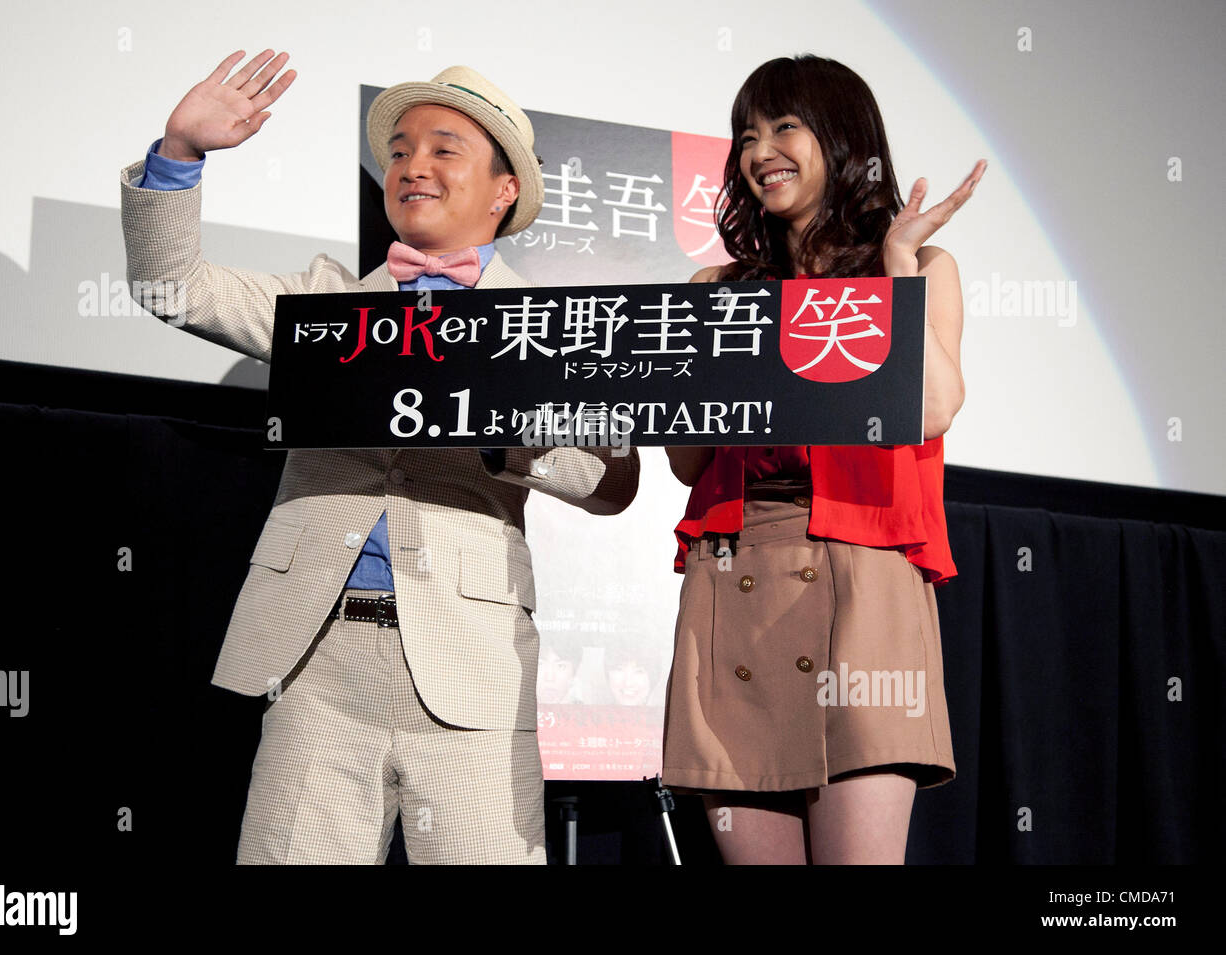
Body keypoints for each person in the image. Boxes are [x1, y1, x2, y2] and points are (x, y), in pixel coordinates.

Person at [119, 51, 639, 864]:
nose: (411, 166)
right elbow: (170, 287)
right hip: (314, 660)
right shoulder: (325, 304)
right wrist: (180, 153)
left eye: (442, 148)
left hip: (471, 668)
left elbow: (612, 481)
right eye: (398, 151)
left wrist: (503, 430)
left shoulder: (552, 326)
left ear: (505, 190)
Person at [662, 55, 985, 865]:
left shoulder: (918, 269)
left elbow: (936, 407)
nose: (758, 151)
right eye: (746, 136)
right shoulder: (717, 286)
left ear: (840, 140)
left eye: (783, 127)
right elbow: (685, 460)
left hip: (867, 582)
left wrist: (900, 269)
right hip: (734, 580)